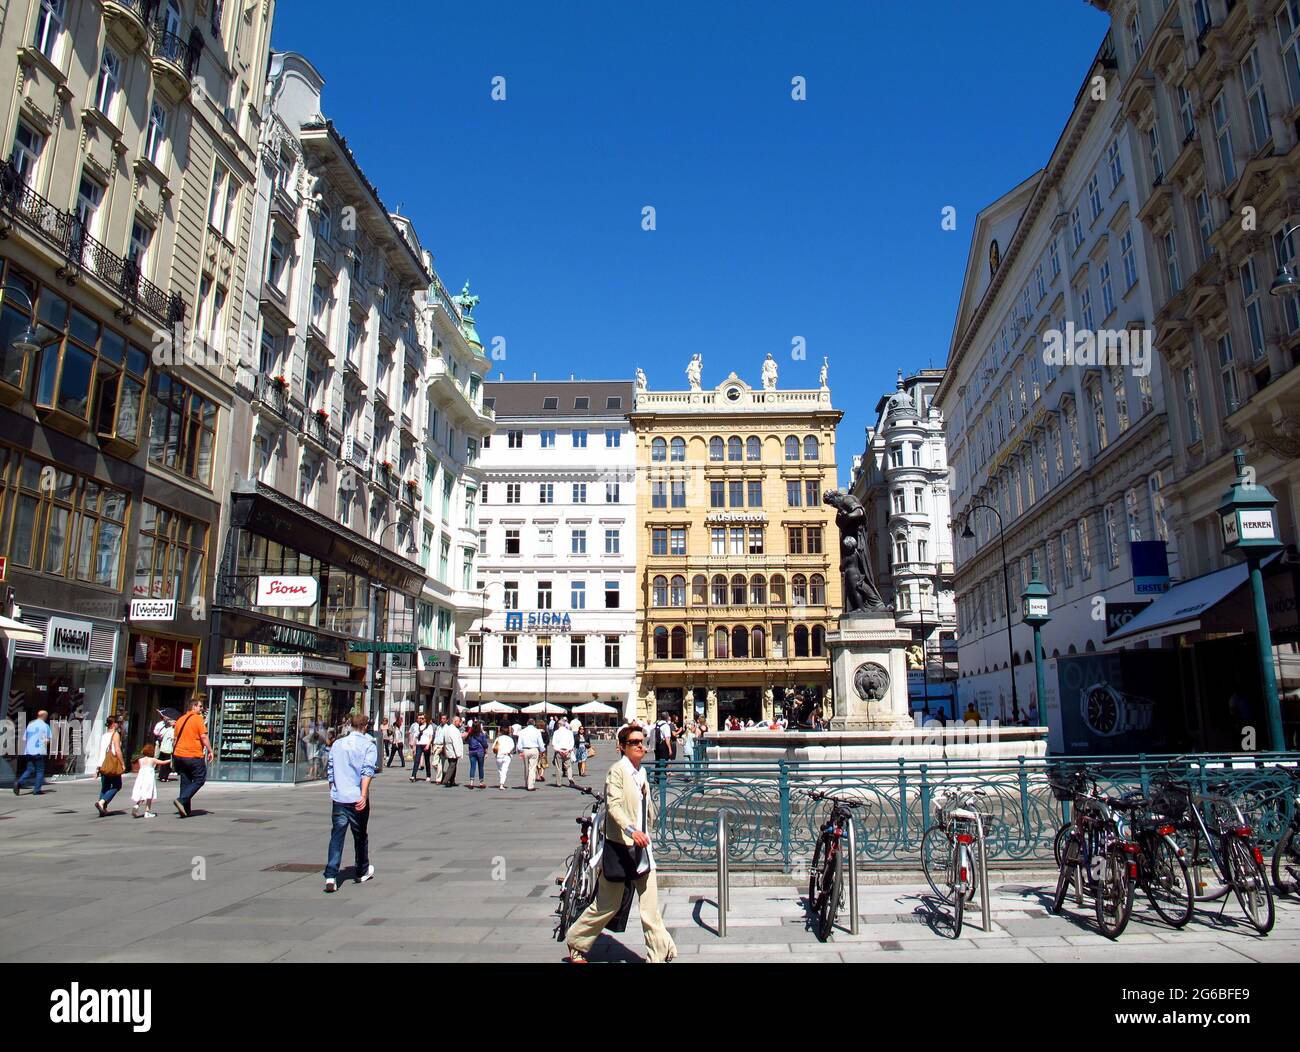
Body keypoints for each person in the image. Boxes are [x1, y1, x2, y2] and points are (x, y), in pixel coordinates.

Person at [564, 725, 677, 964]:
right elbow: (613, 806)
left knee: (650, 907)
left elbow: (643, 806)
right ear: (623, 747)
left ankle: (657, 955)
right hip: (620, 847)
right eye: (634, 742)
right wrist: (630, 829)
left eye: (642, 741)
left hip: (642, 849)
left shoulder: (642, 772)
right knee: (607, 905)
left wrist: (647, 827)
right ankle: (576, 941)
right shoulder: (617, 771)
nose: (640, 745)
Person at [324, 713, 378, 892]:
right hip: (356, 798)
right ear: (364, 727)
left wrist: (333, 788)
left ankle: (331, 875)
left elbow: (330, 769)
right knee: (360, 835)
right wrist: (363, 794)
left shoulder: (337, 744)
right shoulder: (368, 745)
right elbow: (367, 771)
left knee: (337, 836)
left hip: (339, 797)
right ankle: (362, 870)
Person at [171, 697, 211, 818]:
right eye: (200, 706)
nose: (201, 708)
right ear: (193, 707)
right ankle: (181, 799)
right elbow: (203, 737)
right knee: (200, 779)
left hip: (179, 755)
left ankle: (185, 809)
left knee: (186, 781)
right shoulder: (198, 719)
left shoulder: (180, 719)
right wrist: (210, 750)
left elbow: (175, 739)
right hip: (193, 754)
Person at [13, 708, 51, 796]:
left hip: (29, 750)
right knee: (40, 770)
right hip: (39, 751)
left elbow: (24, 738)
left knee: (30, 768)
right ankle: (36, 790)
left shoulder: (30, 725)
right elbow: (47, 740)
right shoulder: (45, 726)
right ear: (44, 716)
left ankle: (19, 783)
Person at [95, 715, 125, 817]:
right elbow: (117, 750)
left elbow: (101, 752)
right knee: (117, 785)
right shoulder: (115, 734)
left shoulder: (104, 735)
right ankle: (102, 802)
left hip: (103, 764)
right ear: (114, 724)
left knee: (105, 787)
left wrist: (97, 767)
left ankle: (103, 809)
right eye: (118, 723)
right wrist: (122, 763)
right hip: (112, 764)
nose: (119, 725)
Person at [131, 744, 169, 818]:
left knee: (142, 793)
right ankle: (147, 812)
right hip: (149, 779)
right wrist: (171, 760)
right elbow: (162, 762)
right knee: (149, 795)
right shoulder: (152, 760)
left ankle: (137, 805)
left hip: (141, 778)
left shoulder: (140, 760)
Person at [517, 718, 545, 791]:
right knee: (532, 768)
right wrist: (542, 750)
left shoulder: (522, 731)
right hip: (534, 749)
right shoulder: (537, 731)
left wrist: (520, 750)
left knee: (526, 767)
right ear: (534, 723)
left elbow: (519, 743)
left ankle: (526, 783)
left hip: (525, 749)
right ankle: (530, 785)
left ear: (527, 723)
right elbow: (540, 742)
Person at [441, 715, 464, 787]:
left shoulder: (448, 728)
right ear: (455, 721)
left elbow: (444, 739)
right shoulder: (454, 730)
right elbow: (455, 742)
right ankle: (445, 780)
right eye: (458, 722)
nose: (459, 723)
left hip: (448, 749)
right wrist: (458, 753)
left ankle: (452, 781)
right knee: (452, 765)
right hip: (453, 750)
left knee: (453, 765)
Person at [551, 718, 576, 786]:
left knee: (558, 767)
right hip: (567, 751)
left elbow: (553, 743)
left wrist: (559, 750)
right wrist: (568, 750)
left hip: (559, 752)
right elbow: (572, 743)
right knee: (568, 766)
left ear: (559, 724)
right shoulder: (569, 732)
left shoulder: (556, 732)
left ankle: (559, 782)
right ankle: (570, 778)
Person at [410, 714, 434, 782]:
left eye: (422, 718)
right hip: (419, 744)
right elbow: (415, 737)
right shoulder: (417, 726)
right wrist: (413, 745)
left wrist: (428, 745)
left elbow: (430, 737)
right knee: (417, 760)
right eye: (420, 718)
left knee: (427, 760)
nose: (421, 719)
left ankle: (428, 775)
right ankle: (413, 775)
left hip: (426, 744)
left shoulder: (429, 726)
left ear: (425, 719)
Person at [465, 719, 488, 789]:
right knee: (480, 767)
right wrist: (486, 752)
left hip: (471, 752)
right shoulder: (481, 735)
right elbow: (485, 744)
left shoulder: (470, 735)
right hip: (480, 752)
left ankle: (471, 783)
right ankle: (481, 783)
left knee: (472, 767)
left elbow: (466, 741)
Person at [492, 723, 515, 790]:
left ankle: (501, 781)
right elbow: (512, 747)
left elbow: (493, 747)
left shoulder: (498, 738)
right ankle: (501, 784)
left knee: (500, 770)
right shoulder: (510, 739)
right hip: (507, 756)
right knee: (505, 769)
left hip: (498, 756)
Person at [430, 714, 449, 783]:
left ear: (447, 720)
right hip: (436, 746)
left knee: (441, 763)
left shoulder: (447, 728)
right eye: (441, 718)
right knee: (434, 764)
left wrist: (445, 748)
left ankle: (438, 779)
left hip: (442, 746)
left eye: (444, 719)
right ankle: (444, 774)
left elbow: (447, 739)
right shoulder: (438, 727)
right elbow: (435, 737)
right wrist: (433, 746)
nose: (442, 720)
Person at [157, 713, 175, 781]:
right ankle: (165, 777)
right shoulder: (172, 731)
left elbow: (160, 736)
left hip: (163, 748)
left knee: (162, 763)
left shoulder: (165, 729)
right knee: (167, 764)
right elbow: (173, 740)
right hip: (168, 749)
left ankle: (161, 776)